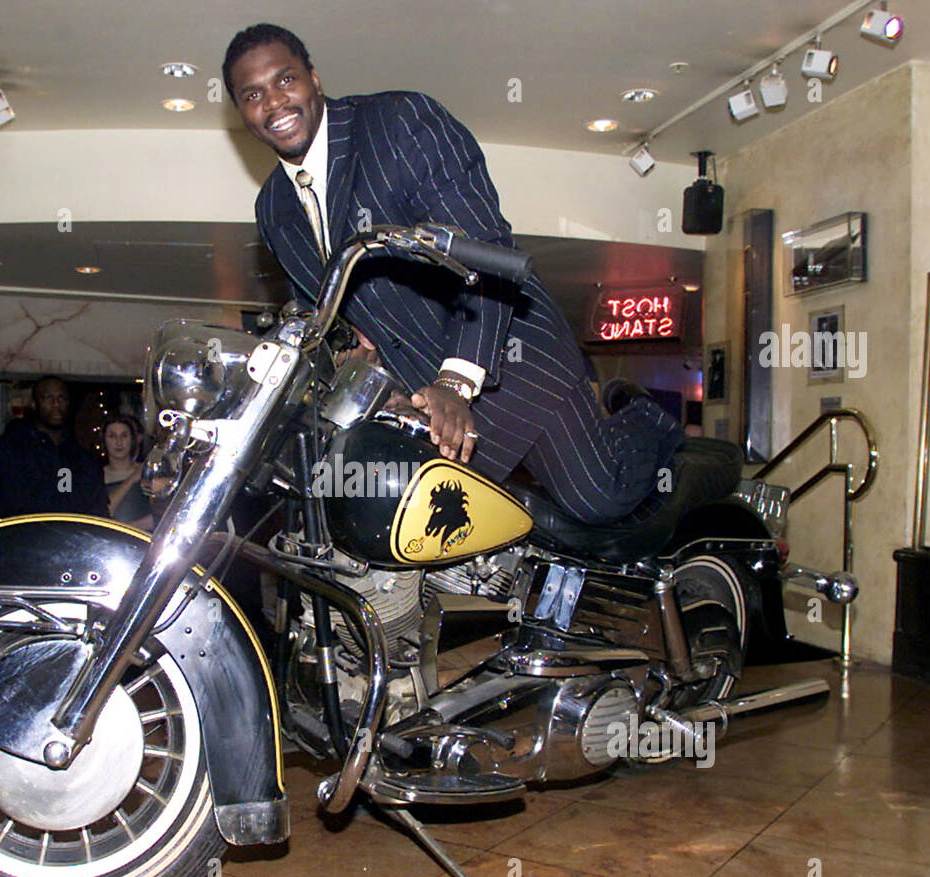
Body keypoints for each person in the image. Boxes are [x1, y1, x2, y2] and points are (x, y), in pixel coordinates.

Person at [223, 24, 684, 525]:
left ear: (313, 78)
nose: (274, 102)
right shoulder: (271, 208)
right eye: (253, 94)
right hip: (426, 396)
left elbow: (482, 248)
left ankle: (642, 414)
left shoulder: (400, 123)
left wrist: (457, 383)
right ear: (241, 112)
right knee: (418, 527)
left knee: (599, 499)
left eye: (285, 80)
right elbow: (324, 317)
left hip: (503, 353)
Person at [0, 376, 108, 523]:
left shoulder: (82, 460)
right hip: (15, 540)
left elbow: (96, 511)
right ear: (34, 404)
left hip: (66, 541)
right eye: (48, 398)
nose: (56, 404)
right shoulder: (1, 451)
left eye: (62, 398)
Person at [102, 415, 160, 531]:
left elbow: (163, 513)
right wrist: (133, 478)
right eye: (112, 436)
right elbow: (102, 513)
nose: (119, 442)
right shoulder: (94, 475)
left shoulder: (150, 472)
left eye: (124, 435)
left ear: (133, 439)